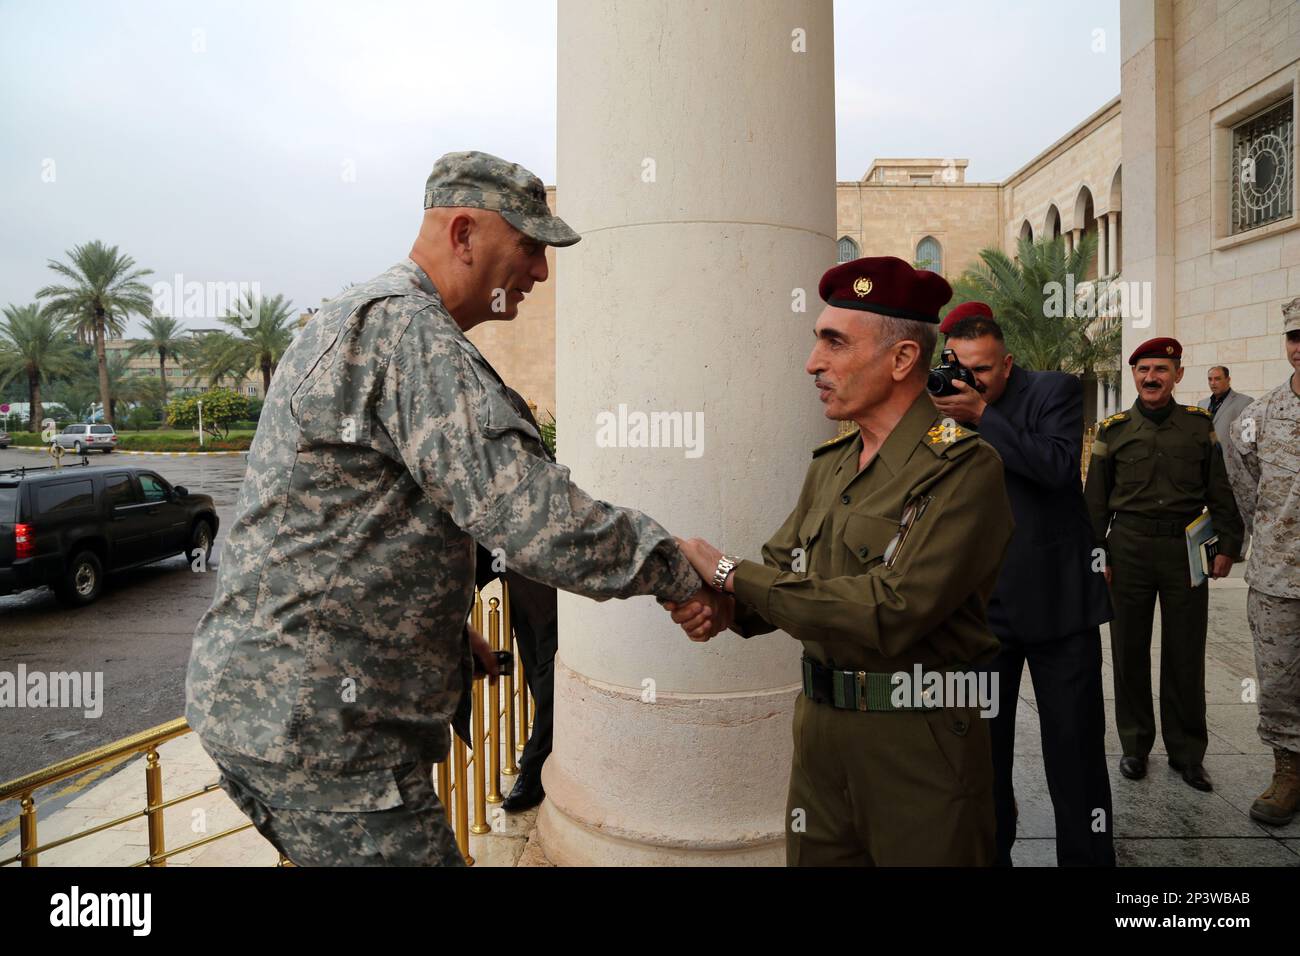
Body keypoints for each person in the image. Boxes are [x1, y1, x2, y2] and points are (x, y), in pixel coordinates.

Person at [185, 150, 706, 867]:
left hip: (279, 710)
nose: (541, 272)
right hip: (324, 735)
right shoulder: (411, 335)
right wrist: (679, 568)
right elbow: (528, 515)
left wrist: (437, 629)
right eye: (528, 247)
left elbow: (334, 520)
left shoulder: (360, 318)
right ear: (464, 233)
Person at [667, 256, 1015, 866]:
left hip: (918, 742)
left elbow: (892, 608)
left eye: (834, 342)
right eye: (816, 341)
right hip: (821, 744)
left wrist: (728, 574)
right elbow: (784, 569)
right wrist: (723, 608)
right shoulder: (831, 463)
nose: (813, 363)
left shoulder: (964, 467)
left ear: (903, 359)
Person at [929, 301, 1114, 867]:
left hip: (1059, 605)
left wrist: (984, 415)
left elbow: (1058, 468)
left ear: (1006, 363)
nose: (972, 379)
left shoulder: (1052, 391)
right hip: (982, 611)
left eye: (983, 369)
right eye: (962, 367)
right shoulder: (941, 413)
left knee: (1074, 751)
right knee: (983, 755)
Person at [1083, 337, 1244, 792]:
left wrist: (1229, 543)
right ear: (1133, 375)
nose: (1151, 377)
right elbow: (1094, 502)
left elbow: (1219, 488)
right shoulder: (1113, 431)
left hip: (1185, 550)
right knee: (1128, 651)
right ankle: (1135, 746)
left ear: (1177, 375)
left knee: (1186, 653)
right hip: (1128, 548)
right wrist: (1097, 554)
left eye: (1161, 369)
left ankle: (1187, 753)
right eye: (1143, 370)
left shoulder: (1198, 427)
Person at [1221, 299, 1300, 825]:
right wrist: (1272, 535)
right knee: (1278, 680)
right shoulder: (1257, 416)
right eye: (1295, 336)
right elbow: (1246, 487)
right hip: (1279, 575)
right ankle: (1288, 772)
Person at [473, 386, 556, 813]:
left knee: (546, 668)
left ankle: (535, 769)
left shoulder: (500, 403)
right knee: (534, 662)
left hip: (537, 557)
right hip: (502, 560)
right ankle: (535, 759)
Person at [1199, 365, 1253, 434]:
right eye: (1210, 379)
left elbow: (1249, 436)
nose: (1212, 383)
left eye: (1217, 379)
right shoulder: (1201, 404)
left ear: (1228, 380)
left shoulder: (1245, 402)